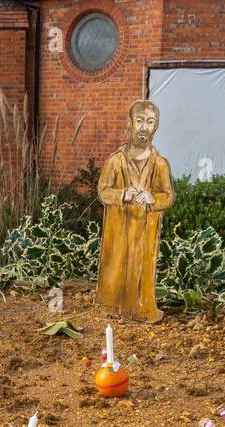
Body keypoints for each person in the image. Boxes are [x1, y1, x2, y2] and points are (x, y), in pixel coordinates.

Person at [97, 99, 174, 321]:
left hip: (145, 232)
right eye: (139, 121)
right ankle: (111, 308)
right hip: (118, 230)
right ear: (129, 123)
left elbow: (168, 197)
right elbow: (103, 191)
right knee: (115, 267)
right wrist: (121, 195)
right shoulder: (116, 161)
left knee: (141, 271)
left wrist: (153, 198)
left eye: (150, 122)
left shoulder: (160, 164)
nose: (144, 127)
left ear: (155, 126)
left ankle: (142, 310)